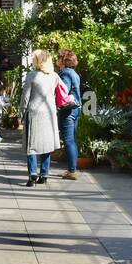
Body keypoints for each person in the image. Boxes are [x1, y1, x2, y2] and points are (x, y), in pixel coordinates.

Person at [21, 49, 61, 188]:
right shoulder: (54, 76)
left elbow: (25, 97)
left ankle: (32, 175)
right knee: (46, 145)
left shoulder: (32, 75)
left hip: (34, 112)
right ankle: (44, 175)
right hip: (49, 113)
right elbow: (63, 90)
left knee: (31, 145)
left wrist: (21, 113)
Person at [57, 49, 83, 179]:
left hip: (68, 110)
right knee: (72, 139)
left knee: (68, 140)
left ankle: (72, 171)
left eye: (58, 58)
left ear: (63, 60)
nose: (57, 60)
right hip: (76, 108)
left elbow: (64, 92)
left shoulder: (65, 73)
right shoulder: (74, 73)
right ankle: (71, 169)